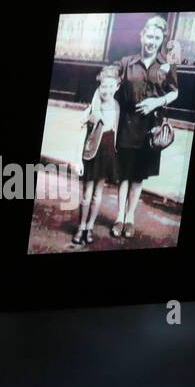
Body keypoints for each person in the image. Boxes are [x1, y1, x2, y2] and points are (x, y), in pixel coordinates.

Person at [112, 16, 179, 240]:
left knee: (138, 176)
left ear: (162, 40)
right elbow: (110, 83)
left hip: (151, 130)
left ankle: (130, 217)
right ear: (142, 36)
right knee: (124, 174)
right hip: (127, 125)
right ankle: (119, 217)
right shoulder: (127, 62)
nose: (151, 41)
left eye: (156, 38)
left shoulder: (166, 66)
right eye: (148, 36)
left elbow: (174, 91)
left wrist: (156, 102)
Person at [72, 65, 121, 246]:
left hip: (107, 156)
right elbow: (81, 131)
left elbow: (115, 132)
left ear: (117, 86)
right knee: (87, 194)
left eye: (111, 86)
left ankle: (90, 227)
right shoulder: (93, 108)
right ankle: (81, 226)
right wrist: (78, 159)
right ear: (99, 86)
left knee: (98, 194)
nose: (106, 90)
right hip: (91, 155)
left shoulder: (116, 106)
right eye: (103, 86)